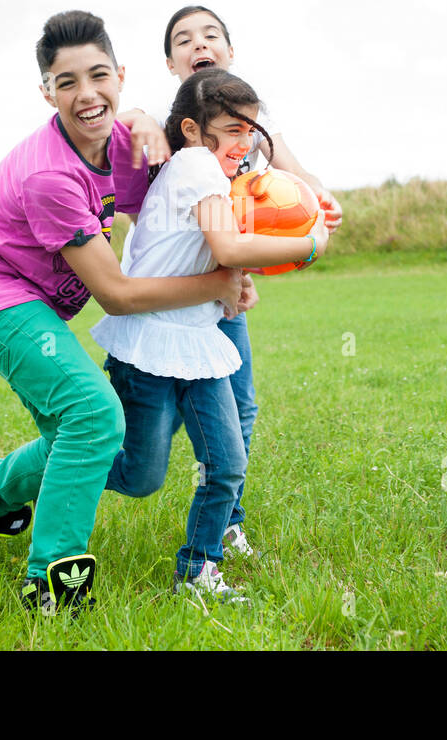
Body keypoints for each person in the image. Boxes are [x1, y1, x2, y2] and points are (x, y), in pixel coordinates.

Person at [0, 10, 243, 615]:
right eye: (66, 82)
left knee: (84, 437)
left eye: (98, 75)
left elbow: (166, 212)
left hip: (36, 299)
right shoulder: (50, 175)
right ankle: (50, 584)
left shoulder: (124, 146)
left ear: (121, 76)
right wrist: (218, 282)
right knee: (93, 416)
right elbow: (119, 295)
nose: (86, 94)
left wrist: (146, 123)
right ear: (46, 92)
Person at [92, 68, 329, 600]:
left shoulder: (217, 179)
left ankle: (197, 570)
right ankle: (46, 469)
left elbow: (216, 259)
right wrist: (308, 245)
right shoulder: (195, 165)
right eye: (232, 129)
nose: (243, 142)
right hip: (149, 347)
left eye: (250, 131)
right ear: (194, 131)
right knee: (138, 475)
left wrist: (236, 286)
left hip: (196, 347)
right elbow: (228, 250)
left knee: (226, 465)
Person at [160, 5, 343, 559]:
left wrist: (319, 196)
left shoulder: (250, 119)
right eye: (184, 39)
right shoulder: (172, 128)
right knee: (150, 432)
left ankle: (224, 522)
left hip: (224, 291)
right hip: (174, 296)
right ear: (171, 63)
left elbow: (290, 172)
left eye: (212, 34)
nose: (200, 43)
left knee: (241, 410)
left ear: (230, 50)